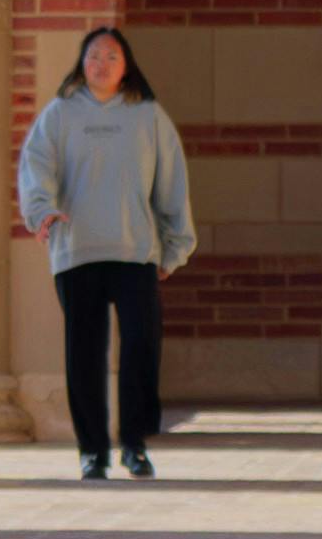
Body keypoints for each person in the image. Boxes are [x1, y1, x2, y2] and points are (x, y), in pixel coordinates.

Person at [13, 25, 196, 481]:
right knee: (85, 353)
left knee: (141, 345)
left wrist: (174, 248)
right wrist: (43, 212)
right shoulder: (59, 114)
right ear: (82, 63)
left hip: (135, 250)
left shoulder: (148, 117)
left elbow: (172, 184)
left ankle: (134, 445)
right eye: (93, 56)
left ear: (127, 65)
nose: (101, 64)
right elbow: (36, 166)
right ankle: (92, 451)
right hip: (77, 252)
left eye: (111, 56)